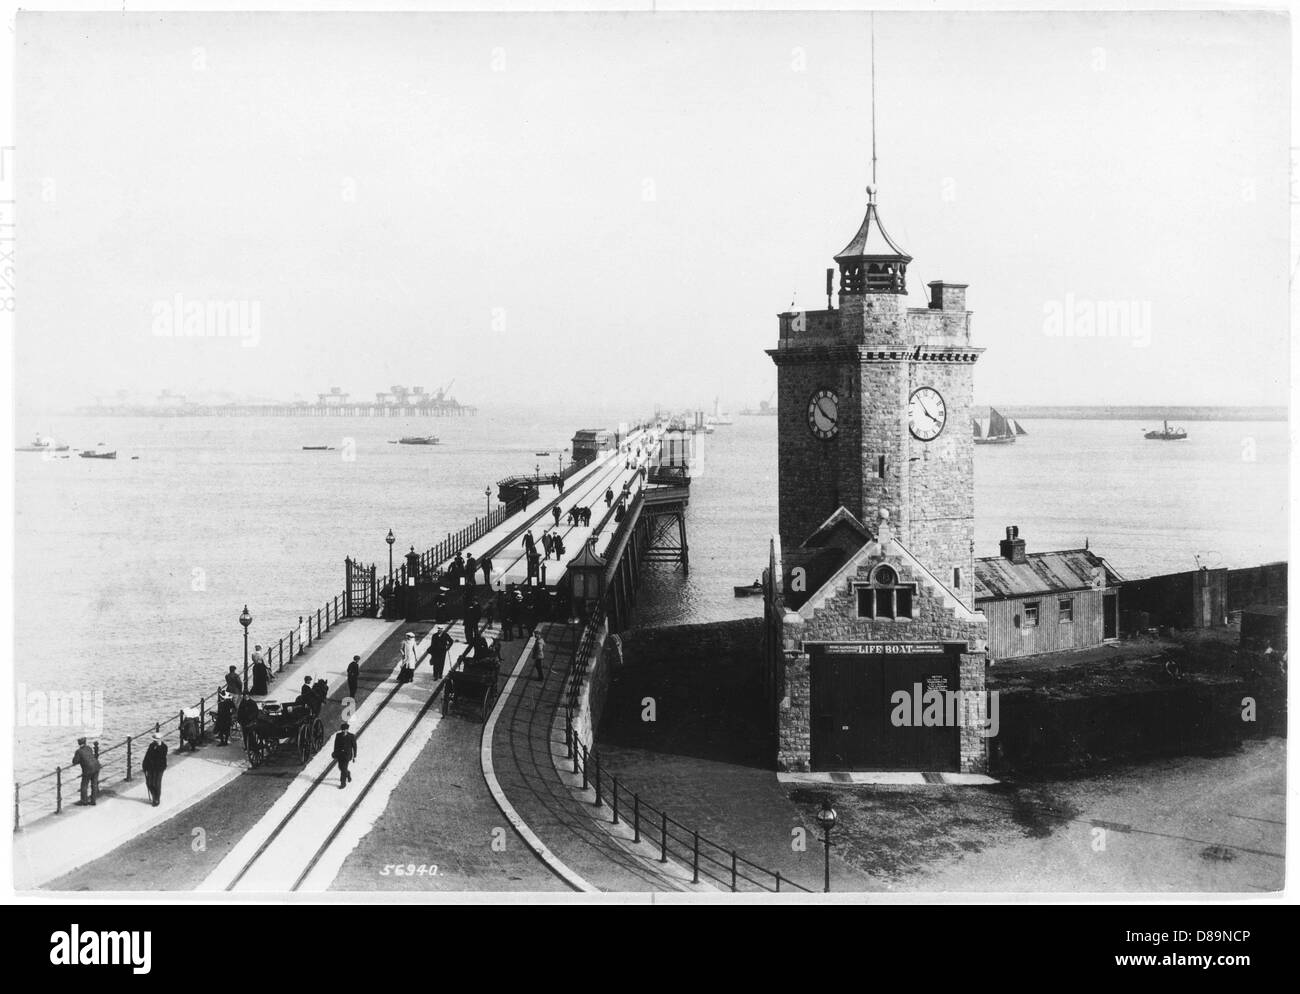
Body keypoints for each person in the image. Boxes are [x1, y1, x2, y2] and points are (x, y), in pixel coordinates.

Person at [72, 737, 100, 806]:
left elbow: (74, 761)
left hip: (88, 769)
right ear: (85, 742)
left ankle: (84, 801)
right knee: (94, 784)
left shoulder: (79, 751)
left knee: (84, 785)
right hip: (96, 766)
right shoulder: (89, 748)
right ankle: (93, 800)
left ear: (79, 743)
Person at [142, 732, 167, 807]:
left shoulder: (164, 747)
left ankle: (157, 799)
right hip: (150, 767)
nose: (155, 741)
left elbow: (162, 756)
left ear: (161, 740)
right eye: (155, 740)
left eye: (157, 740)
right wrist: (144, 764)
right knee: (149, 783)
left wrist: (158, 747)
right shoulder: (151, 745)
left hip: (159, 768)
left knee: (156, 783)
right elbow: (147, 755)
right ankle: (154, 796)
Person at [332, 721, 357, 789]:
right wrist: (334, 753)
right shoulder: (338, 735)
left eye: (345, 730)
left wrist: (354, 756)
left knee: (343, 769)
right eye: (342, 730)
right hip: (340, 755)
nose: (343, 731)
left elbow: (354, 746)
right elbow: (336, 745)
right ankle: (348, 774)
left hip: (347, 755)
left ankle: (343, 783)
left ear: (347, 730)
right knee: (341, 767)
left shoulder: (351, 736)